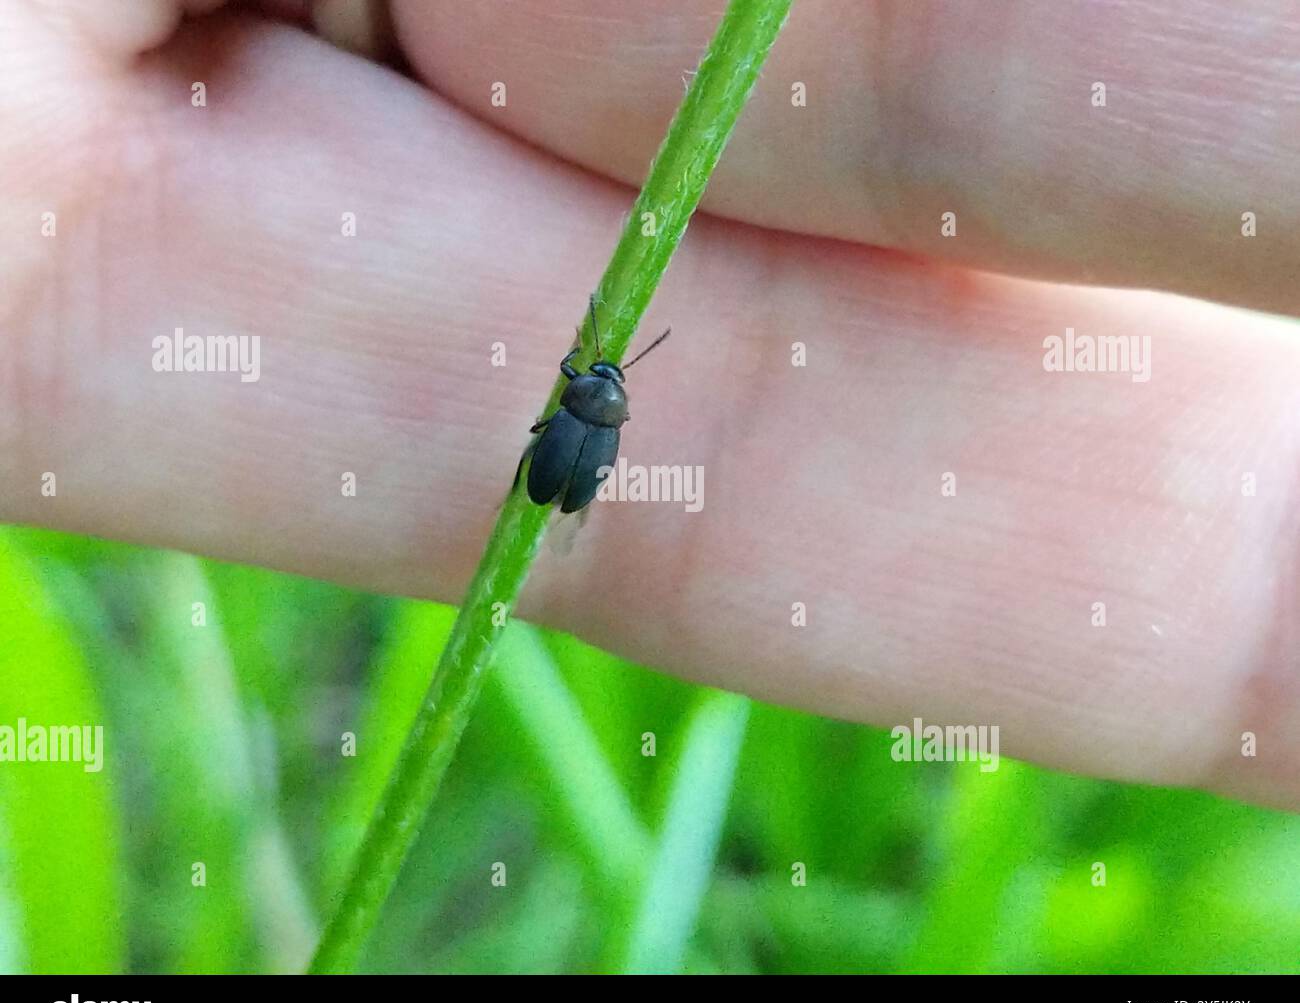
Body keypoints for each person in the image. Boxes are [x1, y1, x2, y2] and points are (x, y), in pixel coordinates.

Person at [3, 0, 1296, 809]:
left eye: (606, 380)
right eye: (606, 379)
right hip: (554, 469)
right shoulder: (598, 415)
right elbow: (571, 430)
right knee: (556, 483)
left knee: (555, 479)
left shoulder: (591, 411)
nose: (603, 384)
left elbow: (566, 427)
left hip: (553, 468)